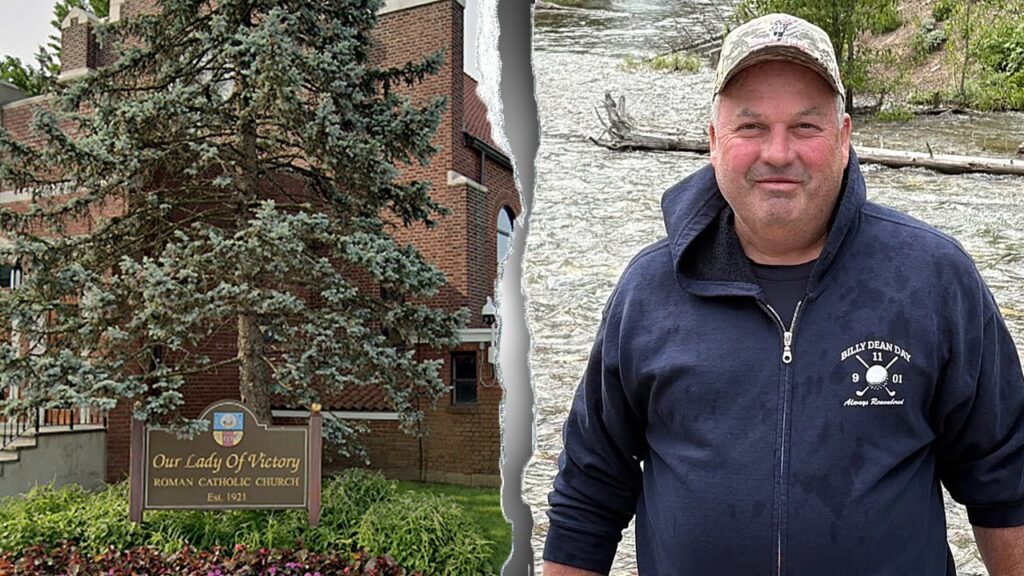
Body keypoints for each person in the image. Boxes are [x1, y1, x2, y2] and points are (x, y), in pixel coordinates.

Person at [542, 13, 1024, 576]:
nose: (777, 152)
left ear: (843, 138)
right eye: (750, 126)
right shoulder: (648, 290)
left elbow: (1005, 479)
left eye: (805, 126)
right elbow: (589, 491)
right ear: (714, 140)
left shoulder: (934, 278)